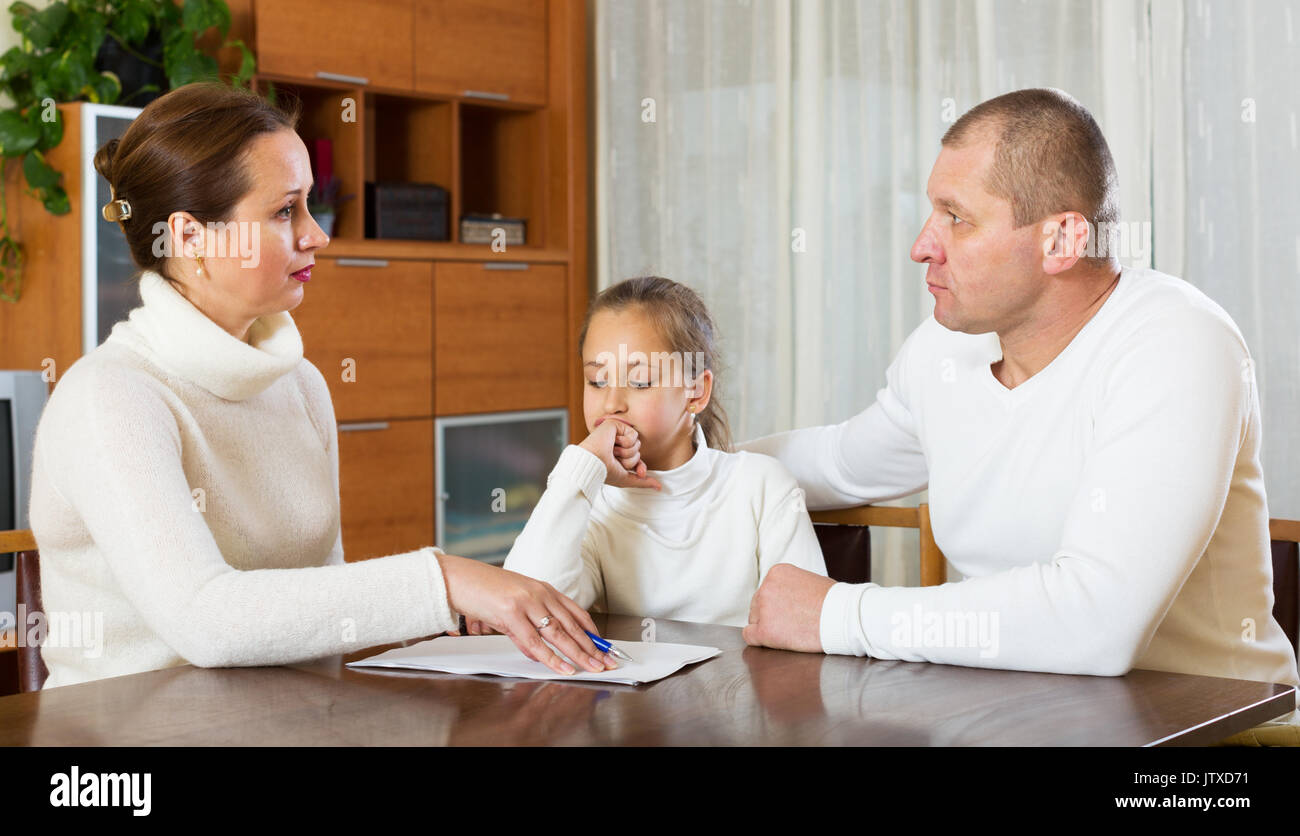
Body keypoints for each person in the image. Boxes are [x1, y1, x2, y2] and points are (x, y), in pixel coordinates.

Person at [730, 89, 1299, 734]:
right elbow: (838, 462)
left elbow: (1097, 620)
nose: (922, 246)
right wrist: (682, 455)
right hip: (1017, 721)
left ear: (1062, 239)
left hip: (1218, 740)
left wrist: (837, 614)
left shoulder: (1178, 342)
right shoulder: (944, 353)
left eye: (957, 218)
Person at [28, 81, 614, 688]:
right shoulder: (109, 398)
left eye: (307, 204)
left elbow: (319, 602)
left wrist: (453, 613)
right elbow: (205, 620)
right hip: (127, 740)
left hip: (285, 715)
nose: (317, 234)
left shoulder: (301, 386)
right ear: (189, 235)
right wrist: (446, 583)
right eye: (285, 211)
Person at [489, 276, 827, 629]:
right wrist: (581, 467)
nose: (611, 403)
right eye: (597, 381)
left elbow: (807, 623)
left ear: (696, 392)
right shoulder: (590, 503)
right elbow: (529, 611)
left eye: (640, 382)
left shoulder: (762, 486)